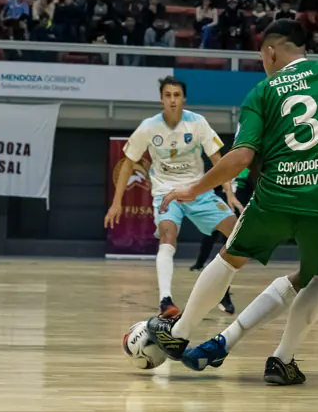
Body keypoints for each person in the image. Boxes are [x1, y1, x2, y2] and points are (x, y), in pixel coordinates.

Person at [145, 20, 318, 384]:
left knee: (231, 257)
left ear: (270, 52)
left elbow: (239, 158)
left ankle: (181, 332)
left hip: (277, 196)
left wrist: (193, 189)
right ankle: (282, 360)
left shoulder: (262, 91)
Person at [104, 77, 244, 319]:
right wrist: (117, 202)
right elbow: (128, 164)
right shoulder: (149, 127)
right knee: (168, 235)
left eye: (176, 95)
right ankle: (165, 301)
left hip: (198, 192)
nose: (172, 100)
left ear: (183, 99)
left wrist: (229, 192)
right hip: (166, 194)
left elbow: (217, 160)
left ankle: (221, 289)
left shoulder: (197, 123)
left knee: (237, 234)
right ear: (161, 99)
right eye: (167, 95)